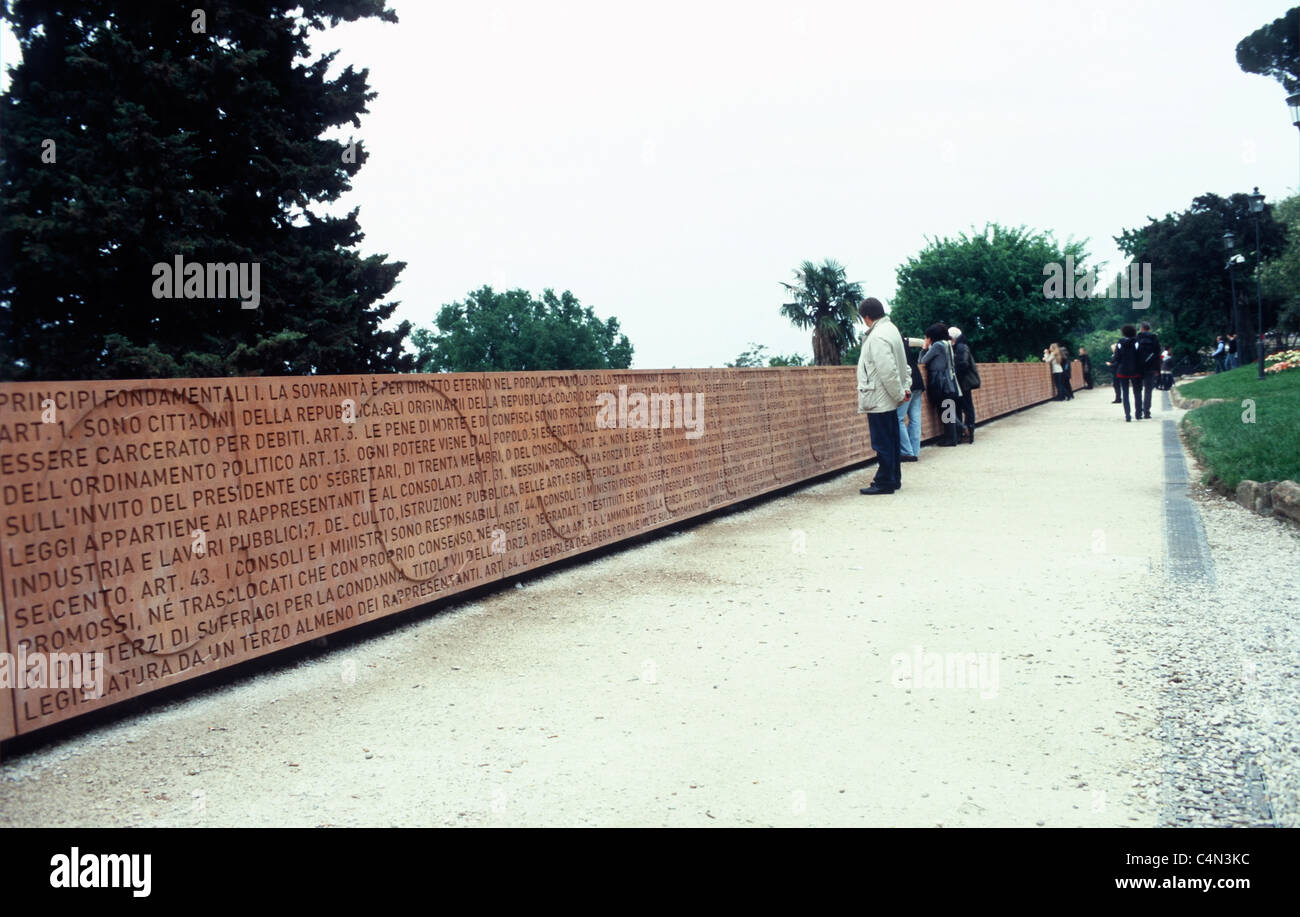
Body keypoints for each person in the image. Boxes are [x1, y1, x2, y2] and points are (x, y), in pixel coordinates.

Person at [855, 297, 909, 495]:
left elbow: (887, 370)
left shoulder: (877, 336)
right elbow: (902, 364)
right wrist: (903, 390)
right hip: (888, 397)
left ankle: (885, 481)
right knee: (892, 439)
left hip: (879, 397)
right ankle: (893, 478)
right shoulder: (891, 329)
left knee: (882, 442)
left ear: (867, 317)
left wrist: (898, 393)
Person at [921, 323, 962, 446]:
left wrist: (924, 348)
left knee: (946, 412)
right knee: (948, 411)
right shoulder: (947, 344)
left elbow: (922, 361)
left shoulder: (937, 346)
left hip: (941, 382)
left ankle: (951, 439)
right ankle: (959, 432)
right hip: (950, 382)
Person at [897, 335, 925, 462]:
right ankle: (914, 451)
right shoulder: (906, 340)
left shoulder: (891, 342)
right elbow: (923, 343)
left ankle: (907, 452)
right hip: (918, 380)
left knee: (898, 419)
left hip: (907, 383)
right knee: (915, 418)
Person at [949, 326, 979, 443]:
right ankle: (967, 432)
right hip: (964, 382)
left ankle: (966, 432)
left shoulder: (960, 347)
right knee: (967, 407)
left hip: (962, 383)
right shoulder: (962, 345)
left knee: (965, 407)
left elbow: (962, 364)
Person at [1113, 325, 1142, 422]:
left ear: (1123, 333)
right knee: (1137, 392)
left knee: (1125, 393)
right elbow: (1140, 356)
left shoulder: (1120, 343)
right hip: (1135, 370)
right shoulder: (1137, 342)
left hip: (1123, 370)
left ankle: (1127, 415)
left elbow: (1116, 357)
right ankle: (1138, 414)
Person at [1134, 321, 1160, 420]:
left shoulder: (1137, 338)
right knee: (1148, 390)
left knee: (1138, 390)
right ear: (1149, 328)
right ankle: (1147, 412)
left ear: (1141, 328)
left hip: (1138, 368)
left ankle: (1138, 412)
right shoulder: (1154, 338)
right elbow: (1157, 355)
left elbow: (1133, 354)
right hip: (1150, 367)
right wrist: (1157, 369)